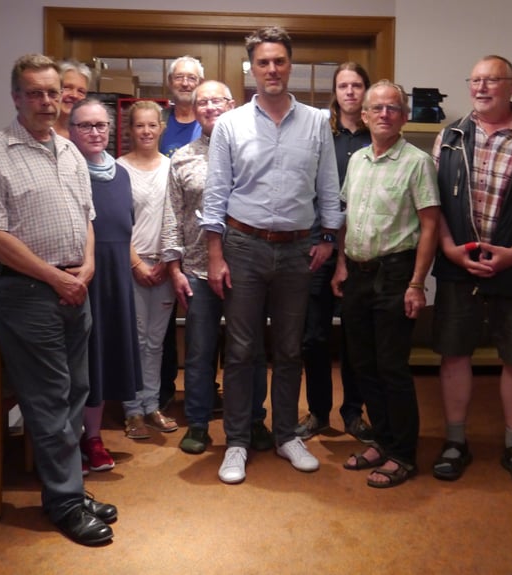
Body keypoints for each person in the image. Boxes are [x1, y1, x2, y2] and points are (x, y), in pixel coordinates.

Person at [0, 53, 116, 546]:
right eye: (35, 93)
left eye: (53, 92)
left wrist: (87, 267)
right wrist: (56, 277)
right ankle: (65, 503)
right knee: (49, 401)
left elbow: (86, 216)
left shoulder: (69, 151)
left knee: (75, 392)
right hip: (28, 294)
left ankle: (67, 488)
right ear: (16, 98)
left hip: (75, 289)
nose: (47, 101)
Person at [202, 26, 343, 484]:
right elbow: (216, 193)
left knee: (288, 347)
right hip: (243, 247)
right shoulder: (230, 123)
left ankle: (285, 434)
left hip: (299, 249)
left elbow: (327, 187)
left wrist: (327, 238)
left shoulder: (317, 122)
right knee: (241, 350)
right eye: (263, 62)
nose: (272, 69)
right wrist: (215, 255)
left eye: (280, 61)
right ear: (252, 68)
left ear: (290, 65)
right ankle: (238, 441)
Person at [431, 55, 512, 487]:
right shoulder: (449, 136)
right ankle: (454, 442)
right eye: (476, 80)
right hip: (458, 263)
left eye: (492, 80)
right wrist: (449, 248)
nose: (481, 88)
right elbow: (432, 203)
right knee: (454, 353)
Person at [331, 80, 440, 488]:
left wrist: (417, 283)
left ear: (404, 115)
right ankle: (382, 439)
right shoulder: (358, 160)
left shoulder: (417, 163)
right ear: (364, 115)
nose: (384, 115)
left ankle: (404, 454)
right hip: (357, 273)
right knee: (363, 365)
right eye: (376, 108)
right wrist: (341, 264)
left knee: (392, 367)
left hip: (396, 274)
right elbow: (346, 219)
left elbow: (430, 225)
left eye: (393, 108)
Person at [166, 80, 273, 455]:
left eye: (217, 101)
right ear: (194, 111)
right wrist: (175, 268)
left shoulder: (254, 153)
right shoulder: (181, 158)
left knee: (251, 350)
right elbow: (172, 218)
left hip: (248, 269)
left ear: (232, 106)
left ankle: (253, 419)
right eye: (202, 102)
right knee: (199, 351)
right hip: (196, 270)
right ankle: (197, 423)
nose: (210, 107)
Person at [296, 62, 373, 444]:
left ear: (366, 90)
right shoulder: (321, 135)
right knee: (314, 337)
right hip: (318, 247)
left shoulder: (378, 135)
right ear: (335, 91)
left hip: (361, 249)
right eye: (343, 85)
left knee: (358, 337)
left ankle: (354, 412)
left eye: (357, 85)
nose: (350, 92)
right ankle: (319, 412)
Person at [67, 98, 144, 474]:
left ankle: (93, 437)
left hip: (116, 275)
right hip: (82, 275)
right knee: (82, 359)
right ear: (71, 130)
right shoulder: (65, 169)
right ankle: (70, 439)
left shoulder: (122, 173)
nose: (95, 132)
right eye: (85, 125)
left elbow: (123, 227)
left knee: (103, 359)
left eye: (101, 125)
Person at [118, 100, 185, 438]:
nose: (146, 131)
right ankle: (131, 411)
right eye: (139, 126)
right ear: (130, 130)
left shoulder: (172, 168)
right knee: (134, 339)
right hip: (129, 265)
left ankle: (151, 404)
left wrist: (164, 262)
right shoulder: (117, 169)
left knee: (156, 341)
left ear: (161, 128)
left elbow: (178, 220)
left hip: (164, 266)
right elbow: (115, 224)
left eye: (152, 125)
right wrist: (135, 263)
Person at [157, 55, 206, 412]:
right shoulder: (158, 123)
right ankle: (163, 392)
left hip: (204, 244)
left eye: (192, 78)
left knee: (204, 324)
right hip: (163, 232)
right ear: (170, 83)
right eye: (179, 77)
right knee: (162, 322)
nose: (186, 83)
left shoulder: (212, 124)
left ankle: (206, 390)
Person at [54, 60, 91, 139]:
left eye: (81, 91)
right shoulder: (39, 130)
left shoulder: (87, 134)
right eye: (67, 88)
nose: (74, 95)